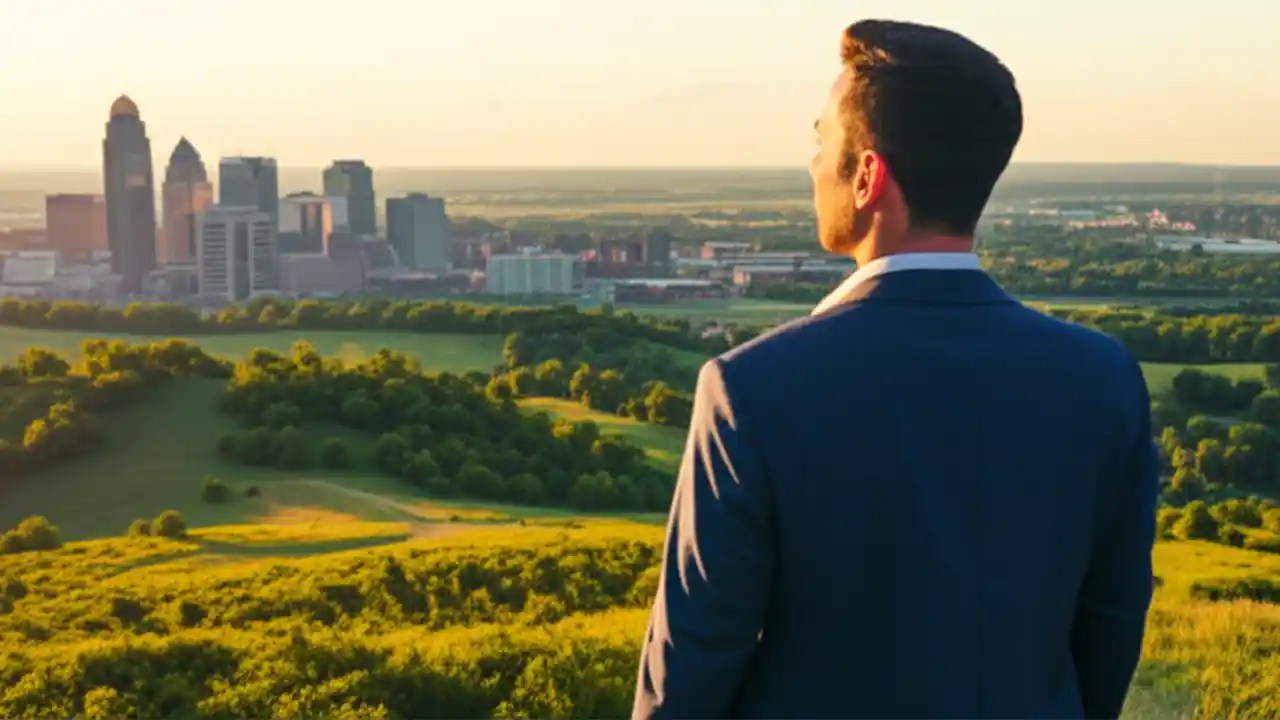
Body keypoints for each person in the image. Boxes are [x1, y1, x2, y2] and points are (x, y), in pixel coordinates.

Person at [632, 19, 1158, 720]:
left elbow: (687, 678)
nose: (813, 165)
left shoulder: (751, 392)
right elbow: (1110, 631)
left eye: (822, 140)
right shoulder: (1104, 378)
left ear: (867, 177)